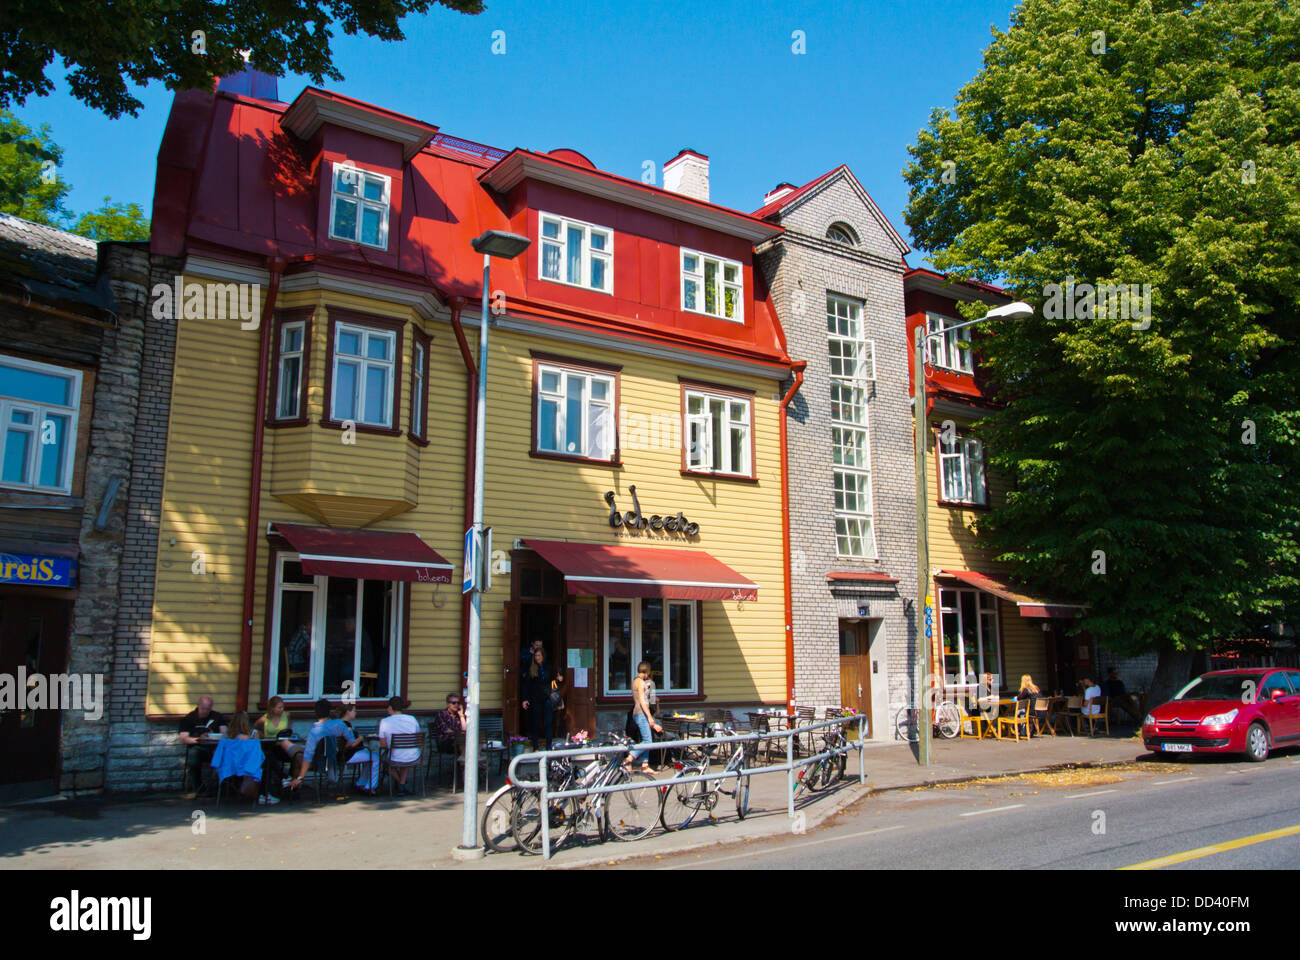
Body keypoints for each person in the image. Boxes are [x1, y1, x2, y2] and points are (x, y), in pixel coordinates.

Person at [287, 698, 365, 792]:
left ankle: (294, 784)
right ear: (329, 711)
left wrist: (301, 777)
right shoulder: (340, 724)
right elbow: (351, 741)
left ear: (316, 713)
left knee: (297, 756)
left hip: (320, 763)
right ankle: (294, 784)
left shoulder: (314, 732)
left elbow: (308, 756)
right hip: (336, 758)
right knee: (298, 752)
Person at [178, 695, 228, 795]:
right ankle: (198, 788)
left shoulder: (217, 717)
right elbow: (184, 738)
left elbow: (225, 734)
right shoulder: (189, 718)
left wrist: (214, 736)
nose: (205, 711)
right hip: (198, 747)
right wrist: (198, 739)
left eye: (208, 709)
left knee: (227, 755)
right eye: (203, 708)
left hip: (215, 747)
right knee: (193, 758)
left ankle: (224, 788)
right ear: (198, 705)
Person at [624, 661, 661, 774]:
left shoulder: (636, 681)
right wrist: (650, 717)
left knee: (647, 738)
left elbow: (646, 698)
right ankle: (629, 759)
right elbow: (642, 701)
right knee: (648, 741)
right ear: (647, 671)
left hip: (638, 713)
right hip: (641, 713)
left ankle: (645, 765)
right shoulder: (640, 683)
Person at [378, 695, 420, 794]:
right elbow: (417, 737)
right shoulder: (412, 719)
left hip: (395, 756)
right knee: (405, 756)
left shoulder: (385, 721)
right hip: (413, 755)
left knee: (385, 761)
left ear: (390, 707)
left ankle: (401, 784)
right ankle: (402, 784)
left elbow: (383, 745)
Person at [336, 702, 381, 794]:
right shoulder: (346, 726)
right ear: (348, 712)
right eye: (354, 711)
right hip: (347, 754)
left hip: (341, 754)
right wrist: (361, 738)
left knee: (370, 758)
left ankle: (361, 783)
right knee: (376, 757)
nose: (356, 713)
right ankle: (371, 787)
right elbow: (350, 744)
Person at [521, 647, 556, 750]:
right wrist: (525, 699)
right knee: (535, 722)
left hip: (547, 698)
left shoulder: (548, 667)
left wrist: (559, 679)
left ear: (543, 656)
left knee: (548, 723)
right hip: (535, 698)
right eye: (536, 656)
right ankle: (535, 747)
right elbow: (526, 685)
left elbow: (553, 679)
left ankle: (548, 746)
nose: (537, 658)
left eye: (539, 656)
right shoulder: (531, 668)